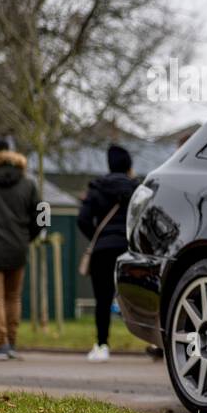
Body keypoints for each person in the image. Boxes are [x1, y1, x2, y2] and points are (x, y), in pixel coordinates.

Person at [77, 144, 139, 361]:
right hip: (129, 250)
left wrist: (98, 237)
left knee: (102, 299)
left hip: (102, 251)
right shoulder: (136, 189)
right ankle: (152, 343)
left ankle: (102, 345)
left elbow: (82, 219)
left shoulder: (96, 188)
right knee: (139, 296)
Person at [0, 137, 43, 360]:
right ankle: (12, 343)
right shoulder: (29, 181)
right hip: (18, 247)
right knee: (13, 297)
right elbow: (44, 214)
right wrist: (28, 237)